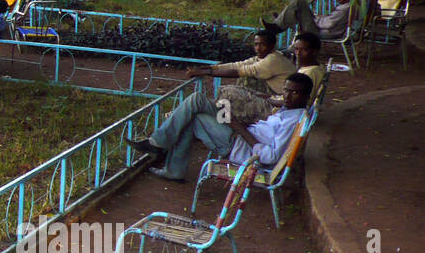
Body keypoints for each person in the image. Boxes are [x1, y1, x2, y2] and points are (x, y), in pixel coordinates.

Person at [126, 73, 313, 182]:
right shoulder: (289, 111)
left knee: (196, 102)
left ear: (306, 96)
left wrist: (239, 128)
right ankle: (169, 163)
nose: (287, 96)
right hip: (238, 134)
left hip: (238, 145)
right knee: (195, 108)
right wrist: (244, 125)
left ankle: (158, 146)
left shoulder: (292, 121)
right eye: (286, 90)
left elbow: (270, 157)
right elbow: (267, 132)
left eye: (294, 92)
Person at [215, 33, 325, 125]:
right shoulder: (312, 68)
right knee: (231, 89)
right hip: (277, 101)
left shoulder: (311, 73)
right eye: (296, 49)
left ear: (314, 51)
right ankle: (223, 118)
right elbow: (241, 65)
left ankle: (223, 124)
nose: (298, 54)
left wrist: (269, 100)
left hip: (278, 112)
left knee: (227, 92)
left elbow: (296, 102)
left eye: (304, 50)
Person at [185, 28, 295, 99]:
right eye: (256, 44)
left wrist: (206, 72)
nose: (258, 48)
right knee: (243, 81)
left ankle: (226, 119)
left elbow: (240, 71)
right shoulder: (266, 57)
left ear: (272, 46)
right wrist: (209, 67)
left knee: (226, 91)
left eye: (262, 45)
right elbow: (238, 65)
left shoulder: (273, 60)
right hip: (275, 92)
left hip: (281, 99)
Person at [263, 0, 353, 43]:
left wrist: (314, 18)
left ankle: (278, 25)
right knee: (297, 11)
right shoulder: (346, 6)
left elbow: (328, 24)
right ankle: (280, 22)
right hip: (323, 29)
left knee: (300, 2)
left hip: (321, 32)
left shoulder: (345, 8)